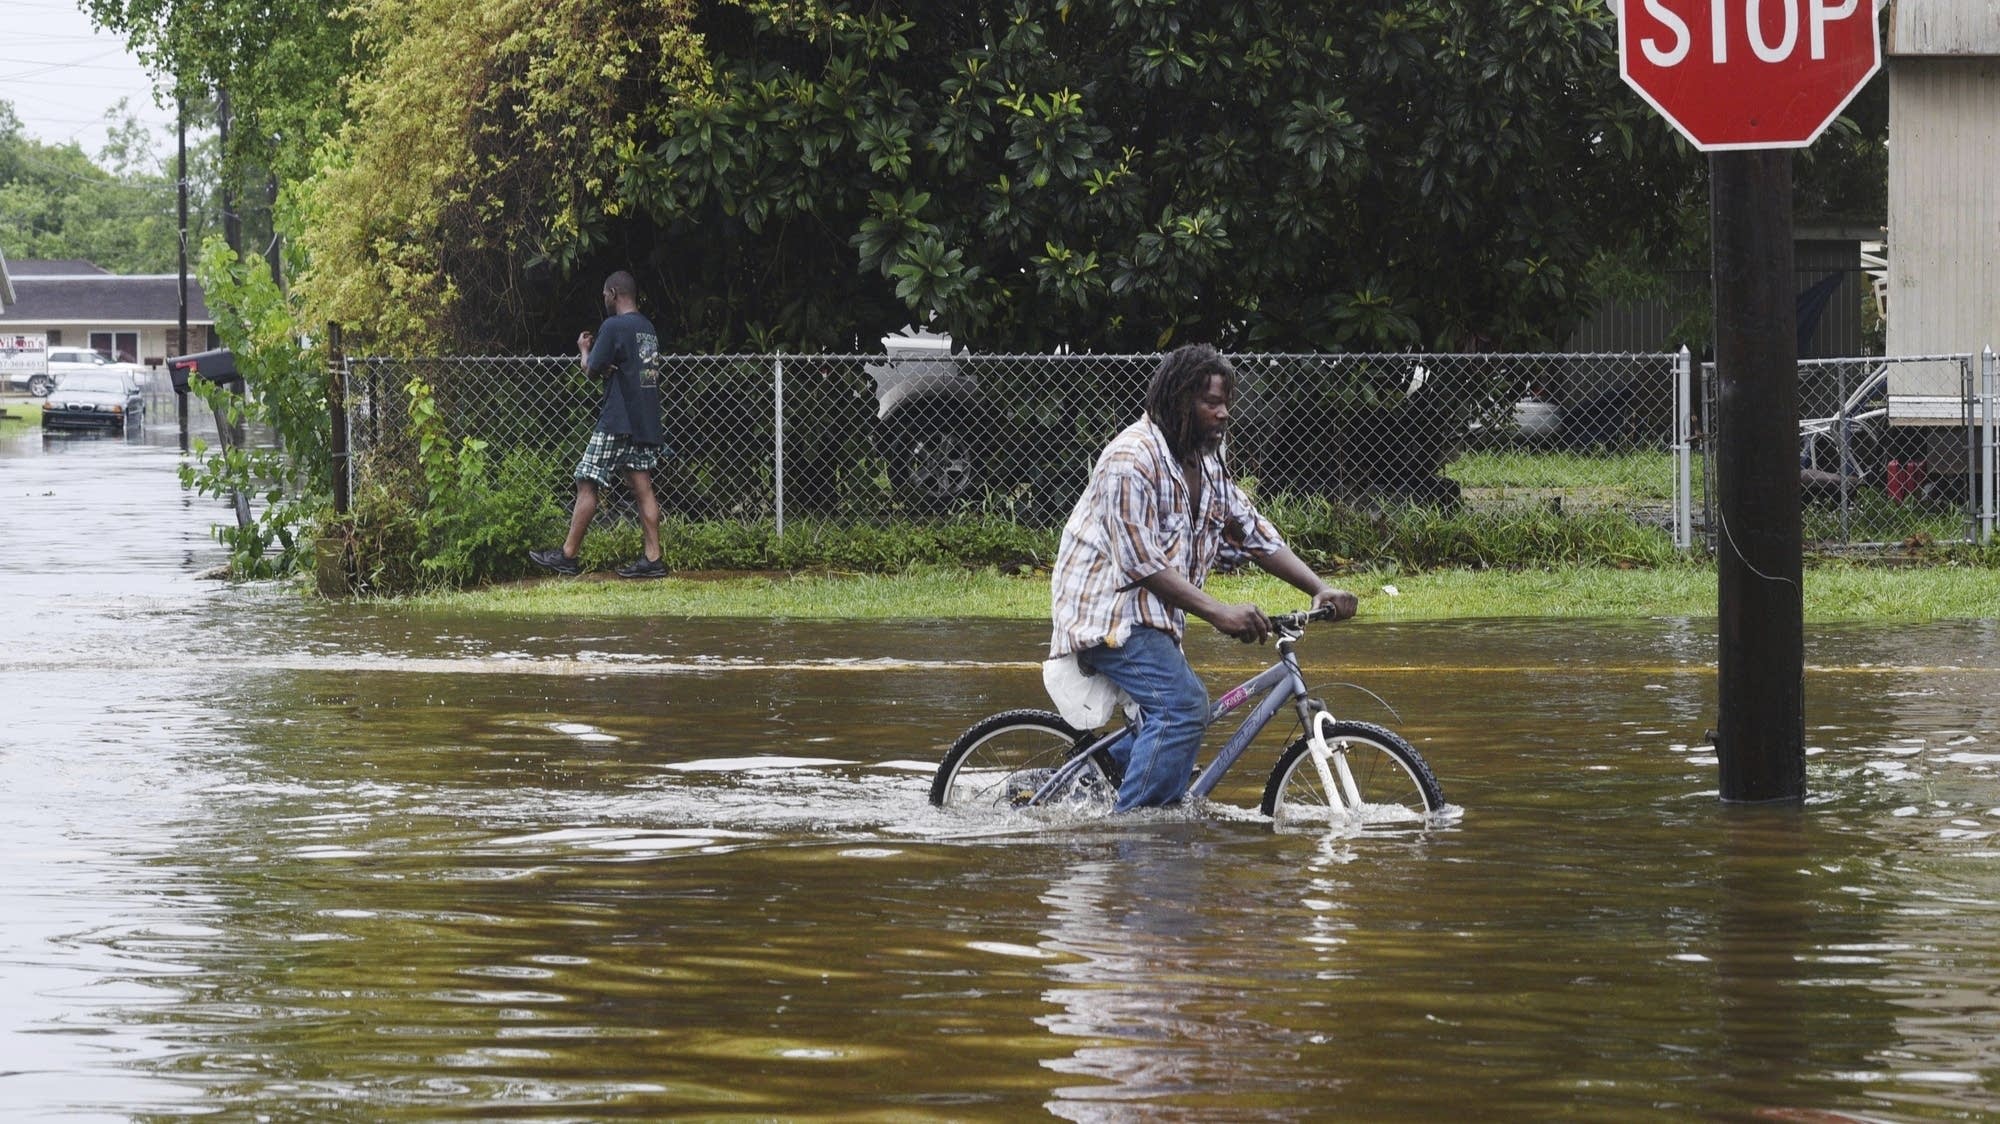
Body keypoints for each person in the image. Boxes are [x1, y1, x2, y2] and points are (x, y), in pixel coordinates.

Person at [1049, 343, 1358, 812]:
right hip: (1108, 617)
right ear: (1178, 402)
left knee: (1180, 725)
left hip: (1152, 621)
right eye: (1210, 402)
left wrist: (1319, 587)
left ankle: (1093, 780)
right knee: (1184, 709)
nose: (1224, 413)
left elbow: (1253, 532)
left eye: (1225, 402)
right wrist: (1219, 612)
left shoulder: (1206, 464)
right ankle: (1136, 833)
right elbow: (1139, 564)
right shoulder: (1130, 460)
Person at [530, 270, 668, 579]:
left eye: (605, 295)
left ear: (614, 294)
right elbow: (630, 368)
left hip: (617, 419)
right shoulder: (647, 327)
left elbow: (590, 371)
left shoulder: (614, 325)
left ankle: (567, 556)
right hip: (644, 418)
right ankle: (653, 559)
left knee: (586, 480)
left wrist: (584, 350)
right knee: (643, 487)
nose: (604, 300)